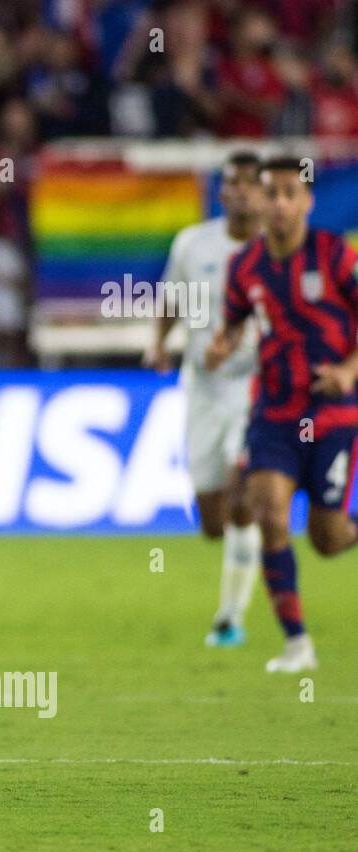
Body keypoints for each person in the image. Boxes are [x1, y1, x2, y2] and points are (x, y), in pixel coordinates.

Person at [208, 156, 358, 672]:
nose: (277, 203)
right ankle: (297, 644)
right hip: (274, 411)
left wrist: (348, 370)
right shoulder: (245, 266)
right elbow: (233, 322)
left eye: (288, 193)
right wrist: (221, 346)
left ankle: (342, 531)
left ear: (307, 202)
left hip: (334, 413)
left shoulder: (336, 256)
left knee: (327, 538)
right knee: (269, 512)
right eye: (270, 193)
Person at [146, 151, 264, 648]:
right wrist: (159, 344)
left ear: (262, 192)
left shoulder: (277, 250)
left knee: (243, 498)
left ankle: (229, 618)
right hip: (202, 386)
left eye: (246, 183)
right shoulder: (194, 244)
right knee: (212, 519)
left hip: (258, 386)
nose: (236, 191)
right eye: (229, 183)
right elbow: (171, 298)